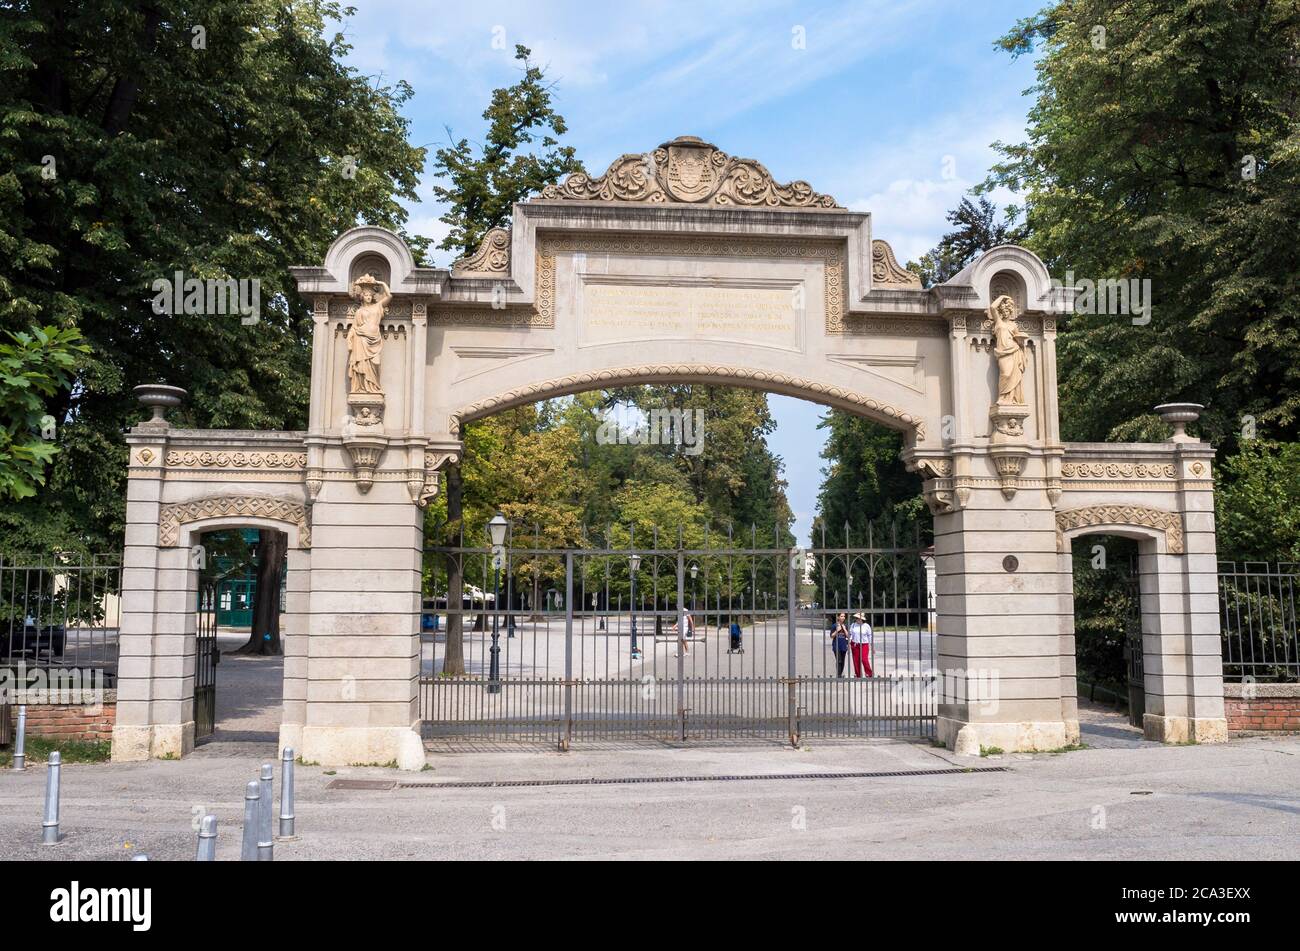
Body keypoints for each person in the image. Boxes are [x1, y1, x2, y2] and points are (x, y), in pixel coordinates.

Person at [848, 611, 873, 678]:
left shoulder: (866, 626)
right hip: (855, 644)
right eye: (857, 618)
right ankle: (858, 674)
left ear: (862, 619)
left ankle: (869, 673)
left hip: (864, 645)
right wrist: (849, 643)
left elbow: (870, 636)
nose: (857, 619)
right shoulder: (853, 625)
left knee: (864, 659)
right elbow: (850, 635)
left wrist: (872, 646)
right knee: (856, 660)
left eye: (859, 618)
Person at [829, 612, 849, 678]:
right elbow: (831, 636)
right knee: (839, 660)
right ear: (838, 617)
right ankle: (838, 675)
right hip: (836, 646)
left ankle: (840, 674)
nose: (843, 617)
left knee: (843, 661)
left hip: (844, 646)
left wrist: (845, 629)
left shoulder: (845, 626)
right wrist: (837, 630)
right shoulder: (834, 626)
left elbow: (848, 636)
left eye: (844, 616)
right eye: (841, 616)